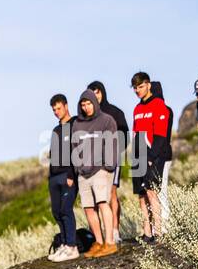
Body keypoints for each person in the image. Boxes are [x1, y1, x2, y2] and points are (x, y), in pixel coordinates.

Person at [71, 89, 120, 257]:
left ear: (95, 102)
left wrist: (108, 166)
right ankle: (98, 242)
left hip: (100, 170)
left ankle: (110, 242)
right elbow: (74, 147)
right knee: (88, 208)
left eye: (89, 103)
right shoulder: (77, 124)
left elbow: (113, 144)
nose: (86, 107)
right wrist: (78, 168)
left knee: (102, 203)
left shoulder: (106, 120)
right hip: (83, 174)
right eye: (83, 104)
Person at [130, 72, 169, 242]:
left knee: (152, 193)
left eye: (140, 86)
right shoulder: (137, 109)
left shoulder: (159, 105)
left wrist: (151, 157)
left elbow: (161, 135)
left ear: (148, 85)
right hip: (138, 155)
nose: (137, 90)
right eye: (135, 88)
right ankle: (147, 232)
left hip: (153, 156)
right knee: (141, 195)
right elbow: (136, 133)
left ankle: (158, 232)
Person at [87, 81, 128, 243]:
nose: (95, 96)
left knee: (111, 193)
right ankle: (98, 236)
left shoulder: (115, 112)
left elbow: (125, 136)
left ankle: (115, 231)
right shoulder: (87, 116)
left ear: (102, 92)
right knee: (95, 197)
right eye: (92, 93)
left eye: (97, 92)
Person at [46, 93, 80, 262]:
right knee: (57, 212)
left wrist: (71, 174)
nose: (57, 112)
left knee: (66, 210)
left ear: (66, 106)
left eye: (59, 108)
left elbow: (77, 151)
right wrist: (50, 176)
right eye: (54, 110)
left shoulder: (75, 125)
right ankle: (65, 245)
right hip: (54, 177)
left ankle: (72, 246)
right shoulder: (55, 130)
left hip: (68, 176)